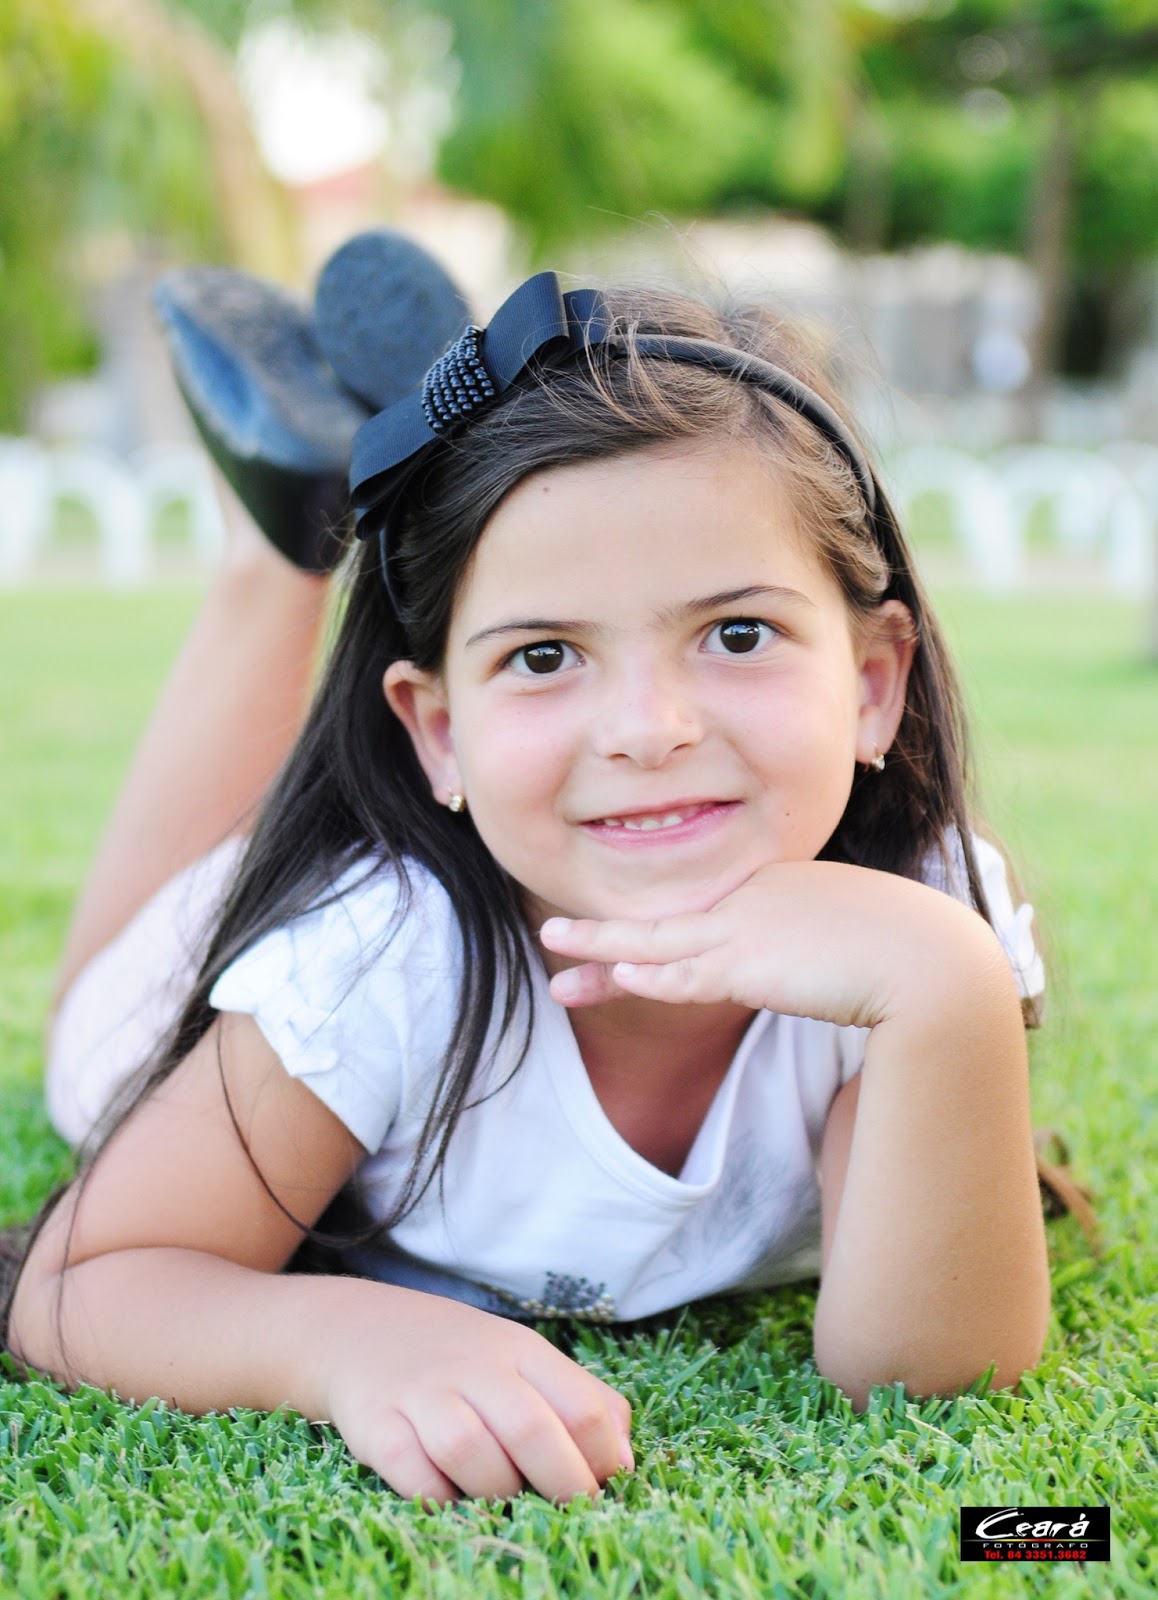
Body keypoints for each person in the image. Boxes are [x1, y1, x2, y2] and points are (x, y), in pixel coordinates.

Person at [5, 267, 1054, 1509]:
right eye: (545, 654)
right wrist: (349, 1341)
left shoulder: (921, 916)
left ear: (873, 682)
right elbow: (80, 1282)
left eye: (737, 634)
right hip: (231, 964)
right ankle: (288, 538)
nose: (649, 730)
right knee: (105, 1019)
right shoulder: (371, 960)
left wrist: (948, 987)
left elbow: (928, 1375)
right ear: (440, 731)